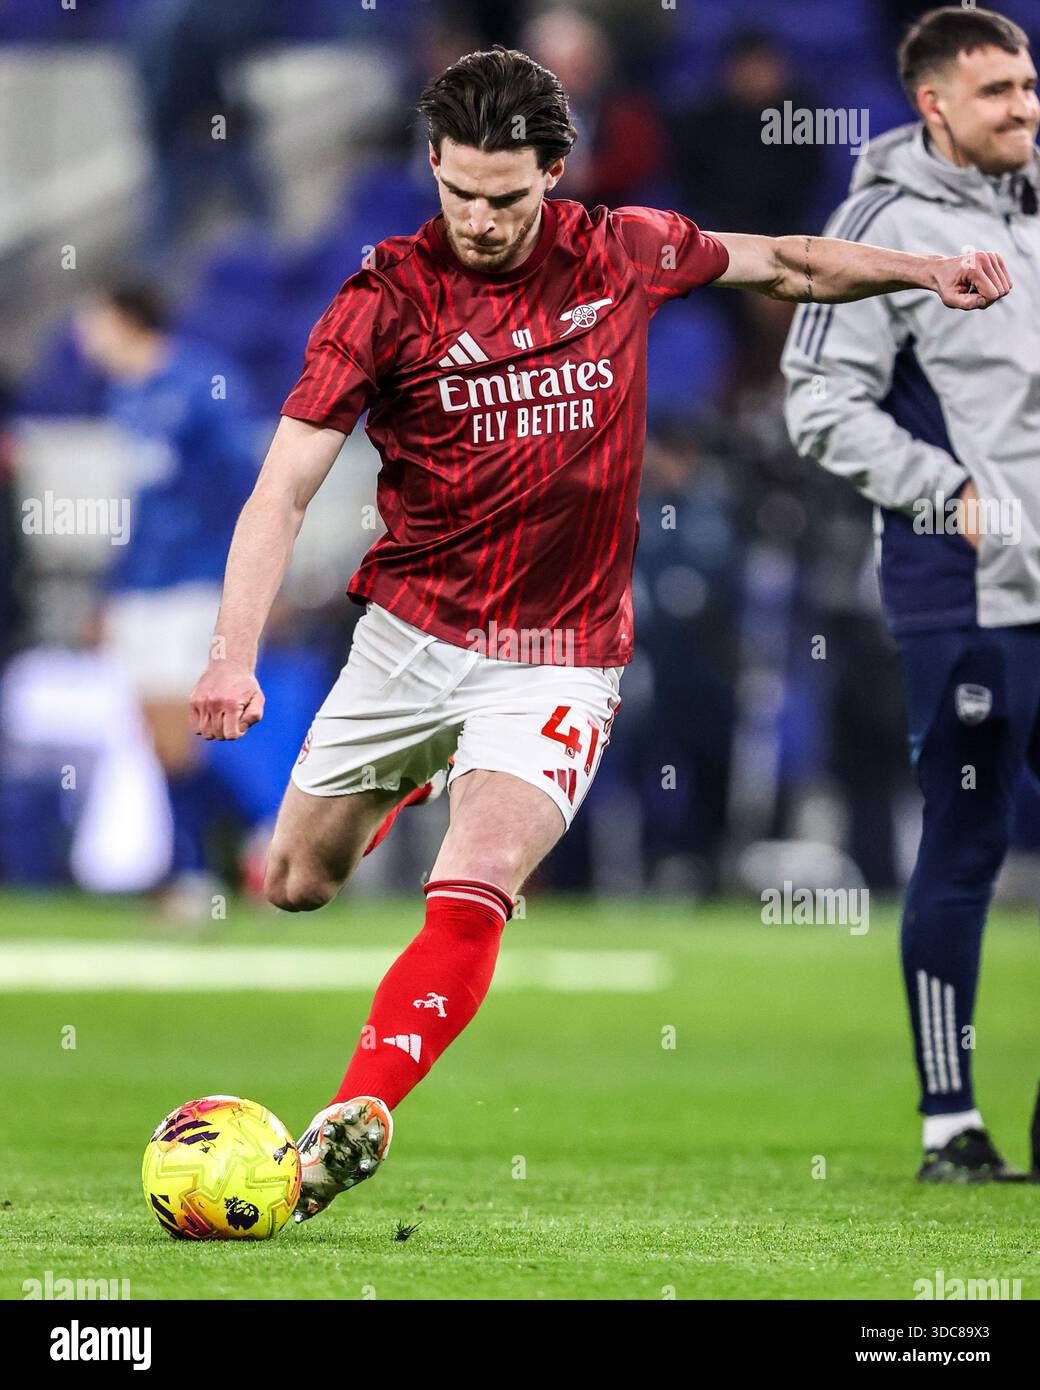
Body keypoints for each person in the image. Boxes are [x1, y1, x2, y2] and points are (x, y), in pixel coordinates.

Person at [190, 46, 1011, 1221]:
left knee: (474, 881)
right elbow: (278, 493)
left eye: (507, 196)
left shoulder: (618, 251)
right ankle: (419, 777)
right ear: (430, 166)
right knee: (294, 882)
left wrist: (923, 272)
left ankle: (357, 1111)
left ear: (555, 174)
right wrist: (232, 652)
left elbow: (783, 259)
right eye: (459, 192)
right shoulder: (381, 298)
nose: (479, 219)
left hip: (559, 653)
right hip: (409, 637)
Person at [782, 6, 1039, 1181]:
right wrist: (947, 491)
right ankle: (950, 1122)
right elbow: (819, 406)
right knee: (966, 839)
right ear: (932, 103)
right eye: (995, 92)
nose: (1023, 106)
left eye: (1027, 85)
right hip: (965, 591)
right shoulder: (876, 229)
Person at [77, 284, 256, 918]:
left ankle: (252, 840)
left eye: (92, 320)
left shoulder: (203, 384)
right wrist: (111, 593)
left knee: (185, 736)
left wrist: (247, 581)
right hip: (142, 586)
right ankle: (201, 867)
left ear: (125, 319)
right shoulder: (124, 397)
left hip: (195, 580)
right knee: (160, 739)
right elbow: (137, 509)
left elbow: (247, 486)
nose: (83, 336)